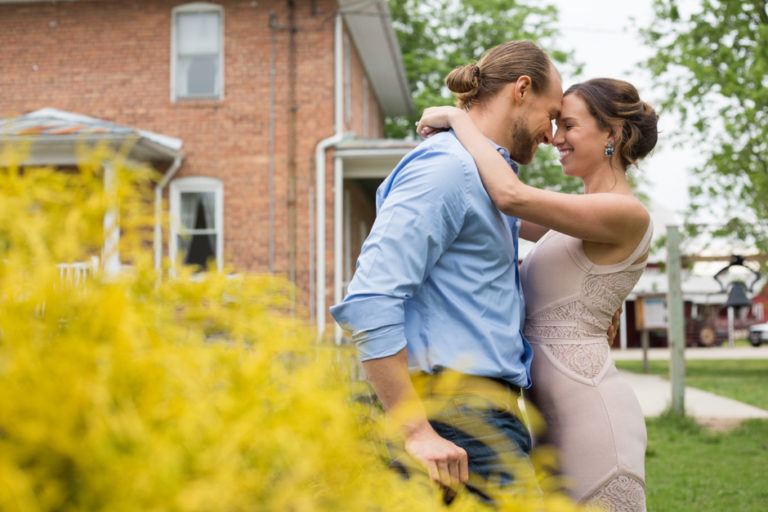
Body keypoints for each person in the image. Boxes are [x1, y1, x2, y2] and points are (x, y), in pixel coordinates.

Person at [330, 40, 564, 505]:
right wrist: (415, 430)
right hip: (455, 419)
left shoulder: (486, 176)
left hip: (477, 416)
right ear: (521, 89)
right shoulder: (447, 169)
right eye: (552, 114)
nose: (552, 134)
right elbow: (370, 299)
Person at [416, 77, 658, 511]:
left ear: (613, 133)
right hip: (545, 417)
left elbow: (509, 196)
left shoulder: (624, 211)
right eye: (556, 125)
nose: (555, 138)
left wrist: (458, 118)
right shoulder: (574, 215)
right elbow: (490, 204)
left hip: (591, 416)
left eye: (569, 126)